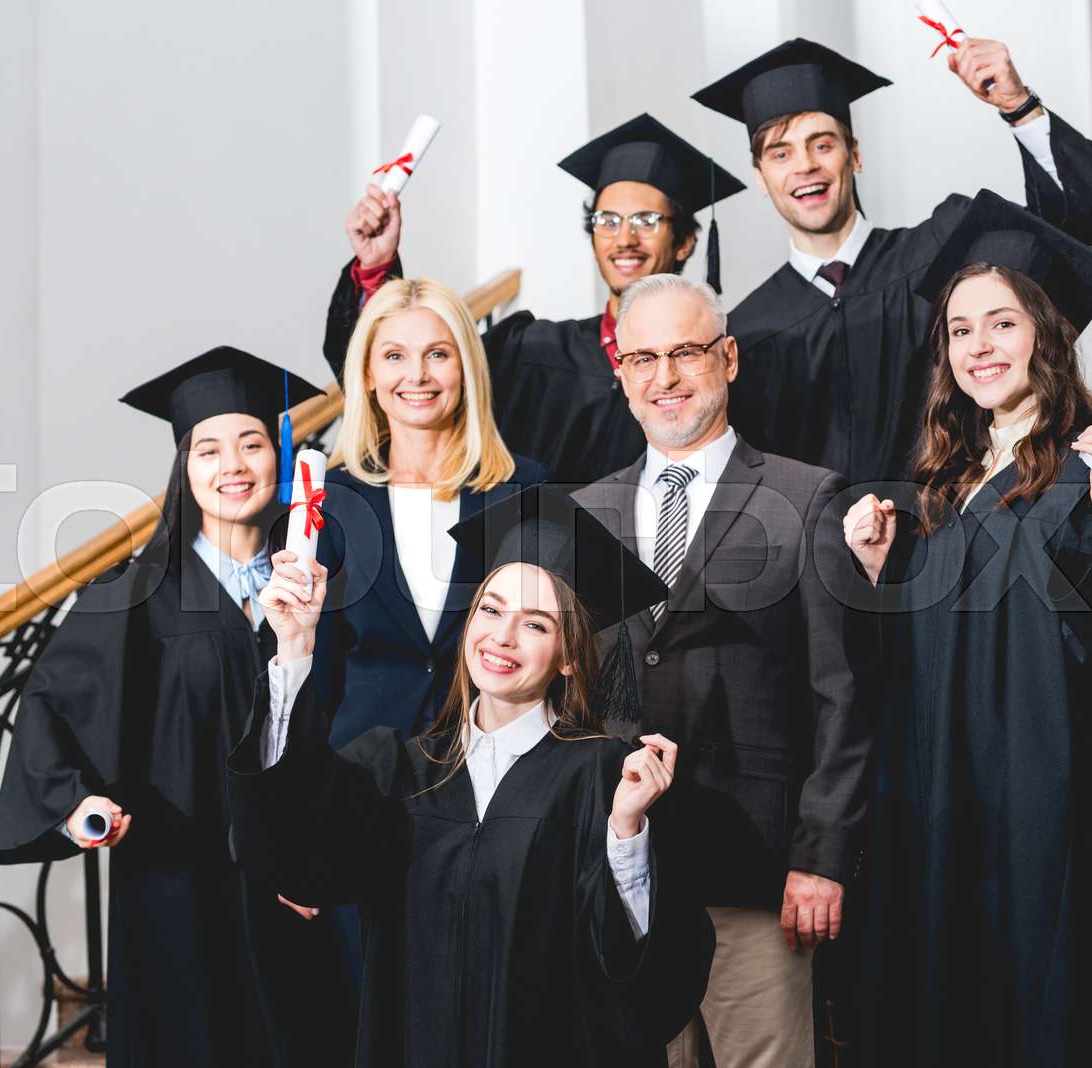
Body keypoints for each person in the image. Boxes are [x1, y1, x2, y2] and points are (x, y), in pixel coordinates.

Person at [842, 191, 1092, 1067]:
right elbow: (922, 669)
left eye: (1001, 322)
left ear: (1046, 332)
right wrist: (889, 574)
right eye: (961, 330)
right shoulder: (943, 485)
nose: (979, 347)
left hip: (1046, 810)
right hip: (944, 809)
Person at [229, 485, 715, 1066]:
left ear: (567, 655)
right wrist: (295, 647)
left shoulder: (609, 778)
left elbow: (653, 979)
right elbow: (295, 852)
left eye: (535, 624)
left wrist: (628, 834)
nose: (502, 637)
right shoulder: (398, 769)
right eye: (490, 610)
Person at [0, 347, 352, 1067]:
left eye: (250, 444)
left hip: (289, 881)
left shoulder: (317, 586)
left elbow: (347, 725)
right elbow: (53, 704)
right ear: (184, 469)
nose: (233, 465)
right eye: (208, 449)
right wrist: (77, 803)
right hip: (176, 875)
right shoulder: (136, 592)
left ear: (279, 458)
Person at [573, 274, 876, 1068]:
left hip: (757, 872)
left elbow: (842, 694)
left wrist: (821, 855)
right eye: (642, 358)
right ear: (621, 374)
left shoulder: (805, 497)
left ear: (729, 357)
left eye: (685, 352)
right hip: (625, 869)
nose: (664, 377)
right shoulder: (586, 513)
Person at [692, 37, 1092, 484]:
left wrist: (1019, 107)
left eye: (822, 145)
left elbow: (1082, 235)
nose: (805, 165)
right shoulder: (746, 331)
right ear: (761, 178)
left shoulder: (945, 251)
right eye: (781, 153)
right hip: (820, 551)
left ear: (856, 155)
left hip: (956, 537)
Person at [324, 113, 745, 485]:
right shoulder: (528, 351)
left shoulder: (713, 363)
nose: (625, 238)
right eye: (608, 220)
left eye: (646, 221)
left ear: (686, 241)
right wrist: (376, 268)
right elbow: (390, 374)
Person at [318, 277, 546, 748]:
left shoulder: (522, 489)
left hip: (487, 760)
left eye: (438, 354)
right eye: (395, 356)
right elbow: (322, 660)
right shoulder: (336, 497)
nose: (417, 375)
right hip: (362, 770)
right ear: (367, 374)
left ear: (465, 367)